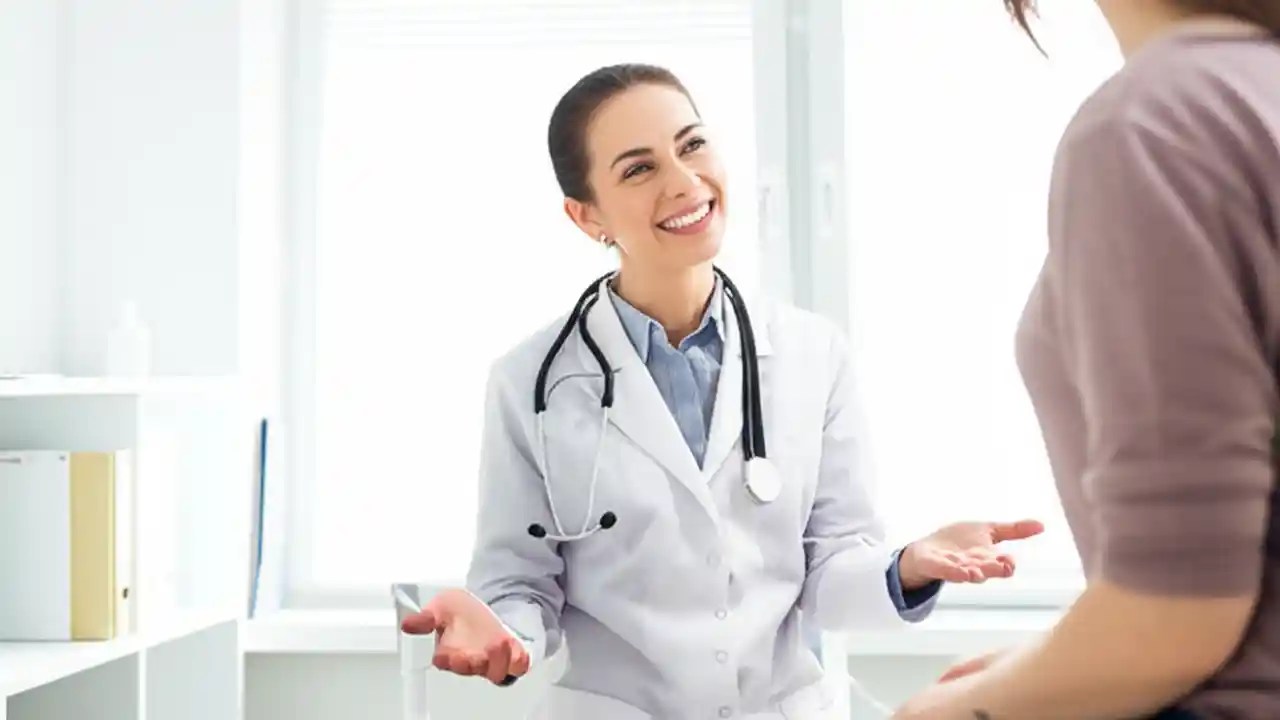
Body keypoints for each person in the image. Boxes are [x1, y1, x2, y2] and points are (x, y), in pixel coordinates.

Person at [400, 64, 1044, 719]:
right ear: (586, 215)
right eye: (639, 169)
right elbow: (519, 584)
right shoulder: (529, 383)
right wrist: (501, 634)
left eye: (693, 145)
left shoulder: (812, 353)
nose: (685, 182)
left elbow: (831, 571)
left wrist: (910, 565)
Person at [893, 2, 1280, 719]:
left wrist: (951, 712)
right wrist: (1049, 666)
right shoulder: (1253, 90)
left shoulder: (1153, 125)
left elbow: (1174, 617)